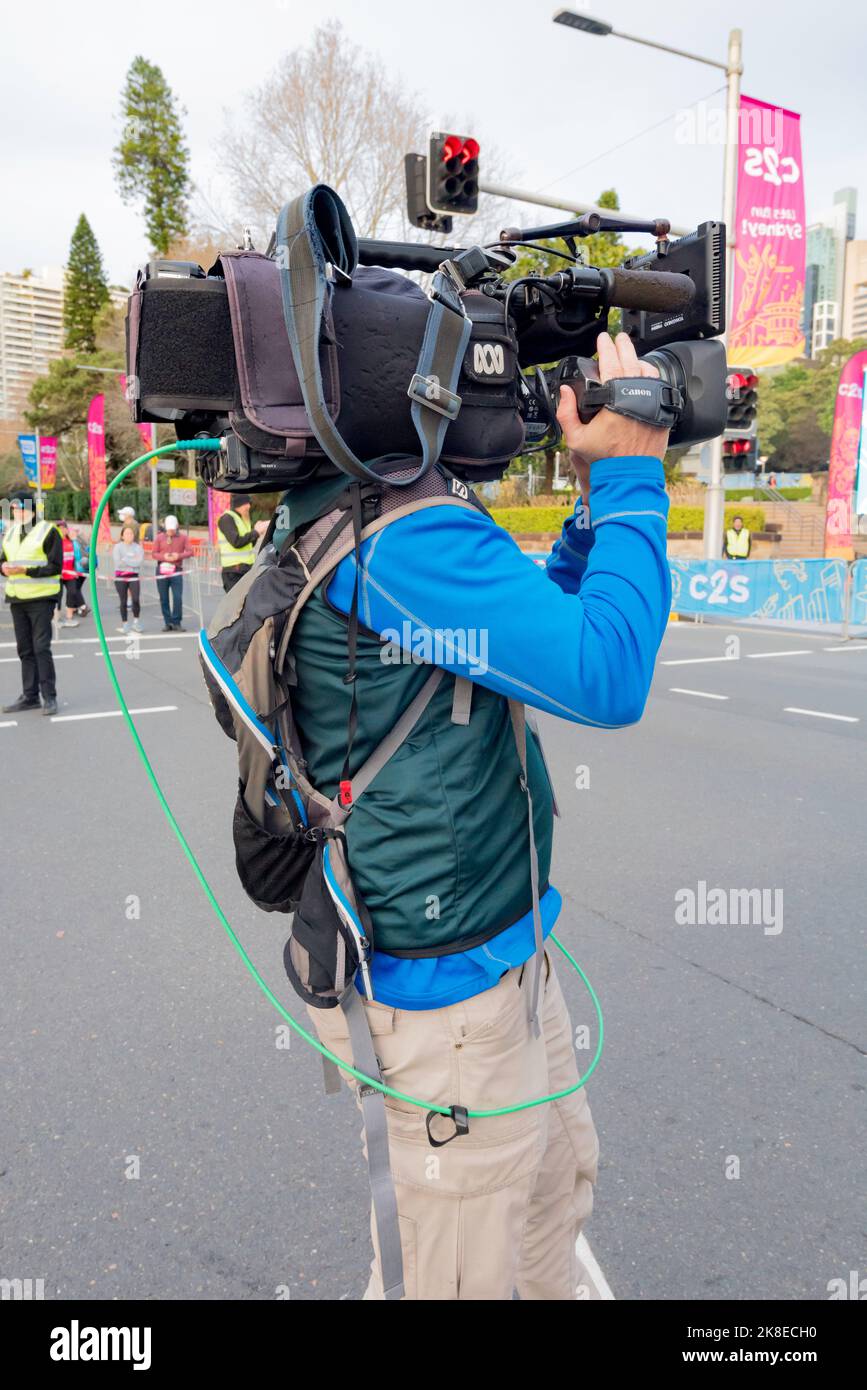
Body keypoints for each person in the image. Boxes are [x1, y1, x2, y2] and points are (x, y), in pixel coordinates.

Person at [287, 331, 672, 1300]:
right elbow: (605, 672)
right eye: (477, 374)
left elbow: (523, 641)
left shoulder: (396, 519)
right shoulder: (402, 537)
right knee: (453, 1272)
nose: (499, 401)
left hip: (498, 962)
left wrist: (591, 511)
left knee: (548, 1202)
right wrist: (631, 479)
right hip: (452, 1004)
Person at [1, 491, 62, 716]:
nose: (18, 512)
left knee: (41, 648)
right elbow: (3, 559)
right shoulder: (11, 531)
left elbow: (56, 567)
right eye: (15, 509)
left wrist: (25, 570)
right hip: (17, 597)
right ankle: (30, 696)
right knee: (25, 650)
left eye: (22, 508)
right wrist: (3, 568)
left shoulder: (47, 531)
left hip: (41, 597)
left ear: (33, 510)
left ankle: (50, 697)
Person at [217, 494, 267, 591]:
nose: (249, 506)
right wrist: (256, 532)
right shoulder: (227, 518)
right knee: (236, 604)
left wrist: (257, 532)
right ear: (238, 505)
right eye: (246, 504)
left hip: (244, 569)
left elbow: (249, 544)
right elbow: (236, 542)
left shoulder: (243, 520)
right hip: (234, 571)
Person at [152, 514, 193, 631]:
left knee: (177, 597)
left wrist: (178, 555)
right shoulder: (159, 538)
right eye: (168, 529)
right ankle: (167, 622)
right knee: (163, 597)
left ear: (177, 527)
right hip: (162, 569)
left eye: (172, 529)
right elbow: (154, 553)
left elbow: (190, 551)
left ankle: (176, 621)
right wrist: (164, 556)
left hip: (176, 570)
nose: (170, 532)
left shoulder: (183, 537)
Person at [56, 520, 90, 626]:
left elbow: (83, 552)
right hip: (58, 573)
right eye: (59, 528)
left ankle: (69, 617)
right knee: (58, 595)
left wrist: (77, 538)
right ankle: (56, 618)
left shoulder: (72, 540)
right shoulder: (54, 541)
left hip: (71, 573)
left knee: (73, 592)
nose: (61, 530)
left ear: (67, 529)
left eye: (63, 528)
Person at [113, 524, 144, 634]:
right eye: (127, 533)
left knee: (135, 599)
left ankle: (136, 621)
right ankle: (125, 623)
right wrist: (131, 561)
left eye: (131, 533)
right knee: (123, 600)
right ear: (122, 536)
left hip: (133, 576)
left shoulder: (138, 547)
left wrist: (126, 560)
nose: (129, 535)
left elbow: (139, 562)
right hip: (120, 576)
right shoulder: (117, 547)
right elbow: (118, 563)